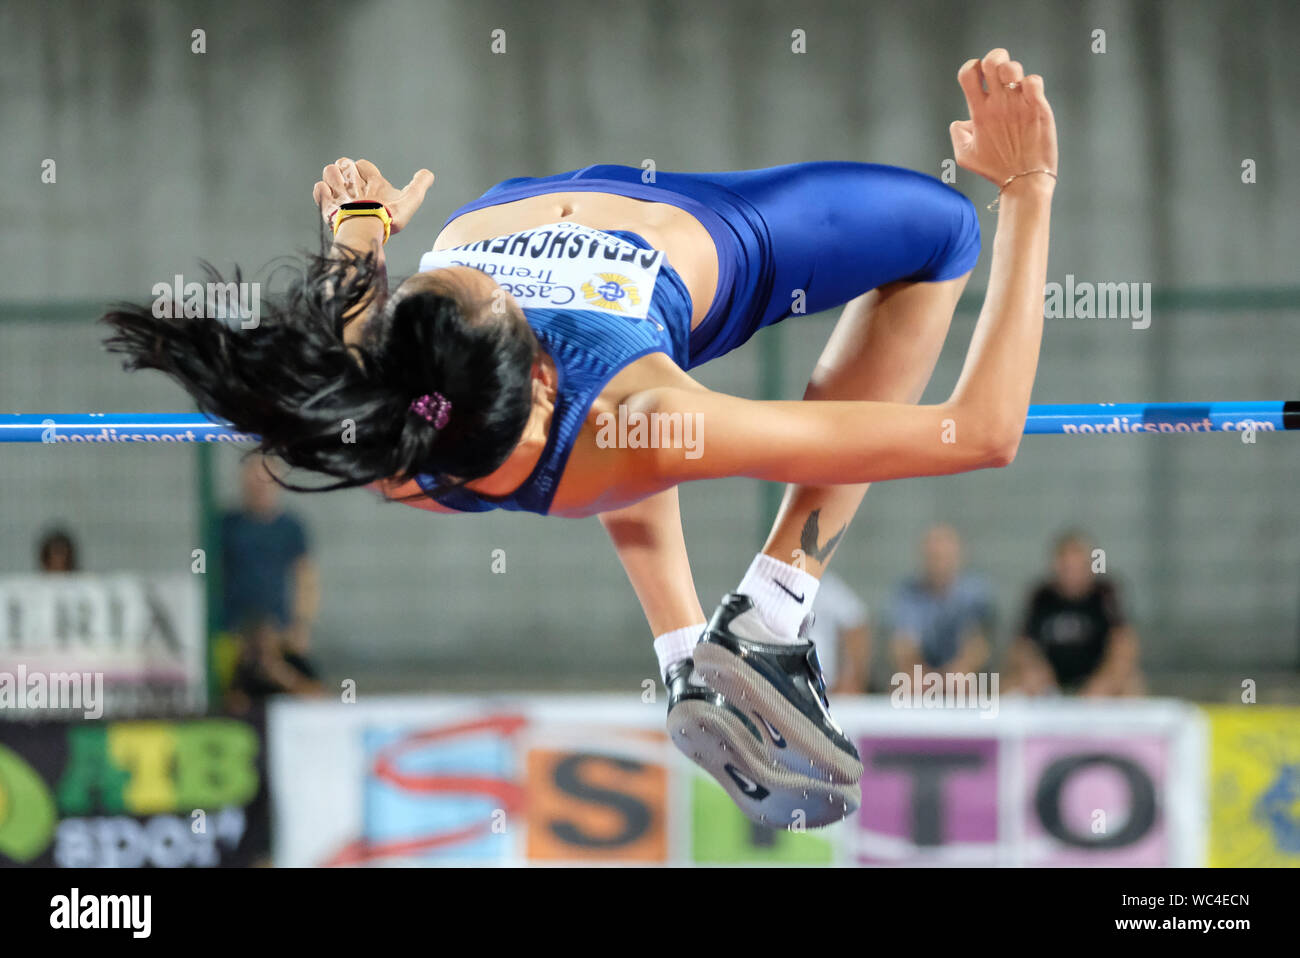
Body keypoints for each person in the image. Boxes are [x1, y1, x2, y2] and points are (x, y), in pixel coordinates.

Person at [102, 48, 1058, 827]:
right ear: (545, 374)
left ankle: (688, 651)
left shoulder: (383, 418)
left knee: (626, 448)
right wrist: (1027, 186)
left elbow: (350, 297)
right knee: (941, 234)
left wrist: (361, 219)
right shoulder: (645, 416)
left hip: (594, 433)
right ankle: (770, 610)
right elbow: (981, 432)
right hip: (690, 235)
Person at [219, 456, 322, 708]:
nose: (260, 485)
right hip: (234, 632)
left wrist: (302, 624)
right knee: (233, 695)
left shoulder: (290, 528)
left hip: (280, 632)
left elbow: (305, 577)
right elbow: (210, 576)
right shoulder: (225, 526)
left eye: (266, 479)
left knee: (295, 686)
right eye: (254, 478)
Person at [1007, 530, 1144, 697]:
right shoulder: (1041, 596)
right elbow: (1022, 645)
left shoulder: (1105, 594)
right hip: (1049, 682)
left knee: (1131, 684)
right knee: (1011, 683)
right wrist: (1034, 668)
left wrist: (1107, 678)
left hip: (1096, 678)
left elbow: (1124, 643)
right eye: (1067, 566)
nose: (1072, 573)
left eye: (1078, 566)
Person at [887, 523, 995, 684]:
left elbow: (978, 643)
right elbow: (903, 645)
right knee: (905, 685)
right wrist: (923, 676)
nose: (939, 564)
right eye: (934, 557)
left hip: (965, 677)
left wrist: (957, 673)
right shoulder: (906, 594)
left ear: (959, 557)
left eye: (945, 557)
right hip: (921, 678)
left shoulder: (975, 593)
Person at [804, 571, 873, 694]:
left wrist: (851, 679)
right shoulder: (766, 587)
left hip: (829, 694)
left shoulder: (824, 586)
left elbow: (857, 626)